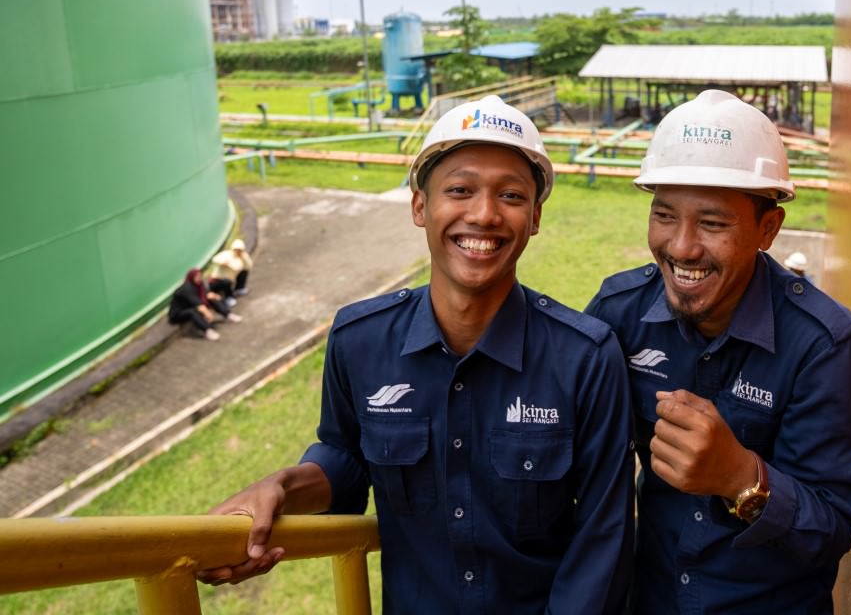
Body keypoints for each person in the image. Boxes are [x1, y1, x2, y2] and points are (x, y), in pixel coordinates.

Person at [198, 96, 635, 614]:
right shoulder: (360, 340)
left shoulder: (584, 357)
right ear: (419, 205)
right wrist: (281, 487)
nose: (484, 214)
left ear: (535, 217)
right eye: (460, 190)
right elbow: (345, 459)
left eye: (512, 195)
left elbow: (603, 537)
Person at [586, 89, 851, 614]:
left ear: (768, 229)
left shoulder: (824, 346)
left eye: (714, 224)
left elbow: (832, 528)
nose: (681, 247)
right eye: (665, 215)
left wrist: (741, 478)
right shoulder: (618, 314)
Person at [168, 268, 241, 341]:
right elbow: (199, 305)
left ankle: (228, 315)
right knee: (192, 311)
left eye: (200, 276)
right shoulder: (186, 289)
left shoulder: (198, 285)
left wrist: (215, 296)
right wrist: (208, 314)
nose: (199, 278)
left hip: (191, 306)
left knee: (211, 299)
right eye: (197, 277)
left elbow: (206, 294)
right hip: (178, 314)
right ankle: (207, 331)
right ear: (191, 277)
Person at [208, 238, 253, 306]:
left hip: (230, 279)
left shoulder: (242, 257)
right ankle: (228, 298)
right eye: (236, 249)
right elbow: (215, 259)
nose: (238, 251)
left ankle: (239, 288)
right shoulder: (227, 254)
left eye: (240, 250)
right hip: (217, 281)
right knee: (226, 281)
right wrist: (223, 263)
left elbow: (249, 266)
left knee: (244, 272)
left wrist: (244, 257)